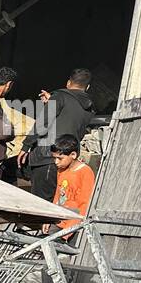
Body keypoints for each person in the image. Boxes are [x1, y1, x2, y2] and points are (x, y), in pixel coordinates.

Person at [19, 68, 95, 201]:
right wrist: (53, 102)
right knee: (58, 201)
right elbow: (73, 122)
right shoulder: (89, 107)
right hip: (69, 160)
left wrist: (25, 146)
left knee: (40, 203)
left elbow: (43, 123)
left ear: (68, 83)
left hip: (48, 157)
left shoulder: (60, 96)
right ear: (87, 87)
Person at [51, 135, 96, 230]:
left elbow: (85, 204)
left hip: (74, 225)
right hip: (58, 221)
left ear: (73, 155)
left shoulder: (85, 172)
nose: (56, 162)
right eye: (54, 158)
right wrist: (50, 219)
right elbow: (57, 195)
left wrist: (69, 229)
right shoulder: (61, 170)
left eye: (60, 158)